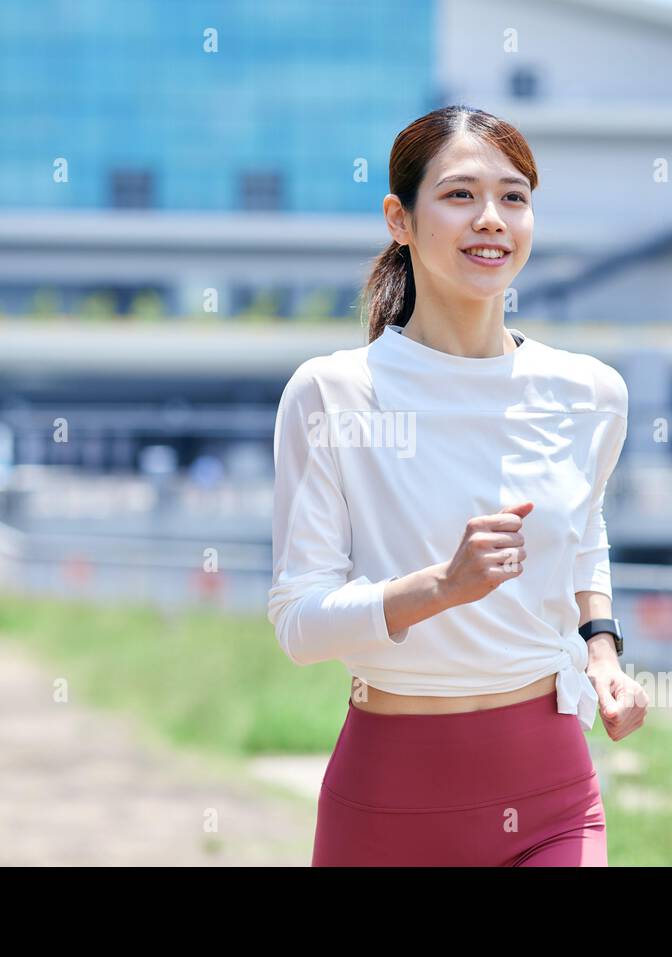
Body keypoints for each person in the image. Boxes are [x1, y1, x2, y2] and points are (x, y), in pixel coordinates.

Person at [267, 105, 648, 867]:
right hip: (387, 803)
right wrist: (438, 586)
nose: (492, 220)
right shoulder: (333, 393)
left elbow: (582, 536)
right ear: (398, 219)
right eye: (459, 195)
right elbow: (297, 622)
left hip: (551, 794)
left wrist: (602, 652)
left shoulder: (590, 393)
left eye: (514, 197)